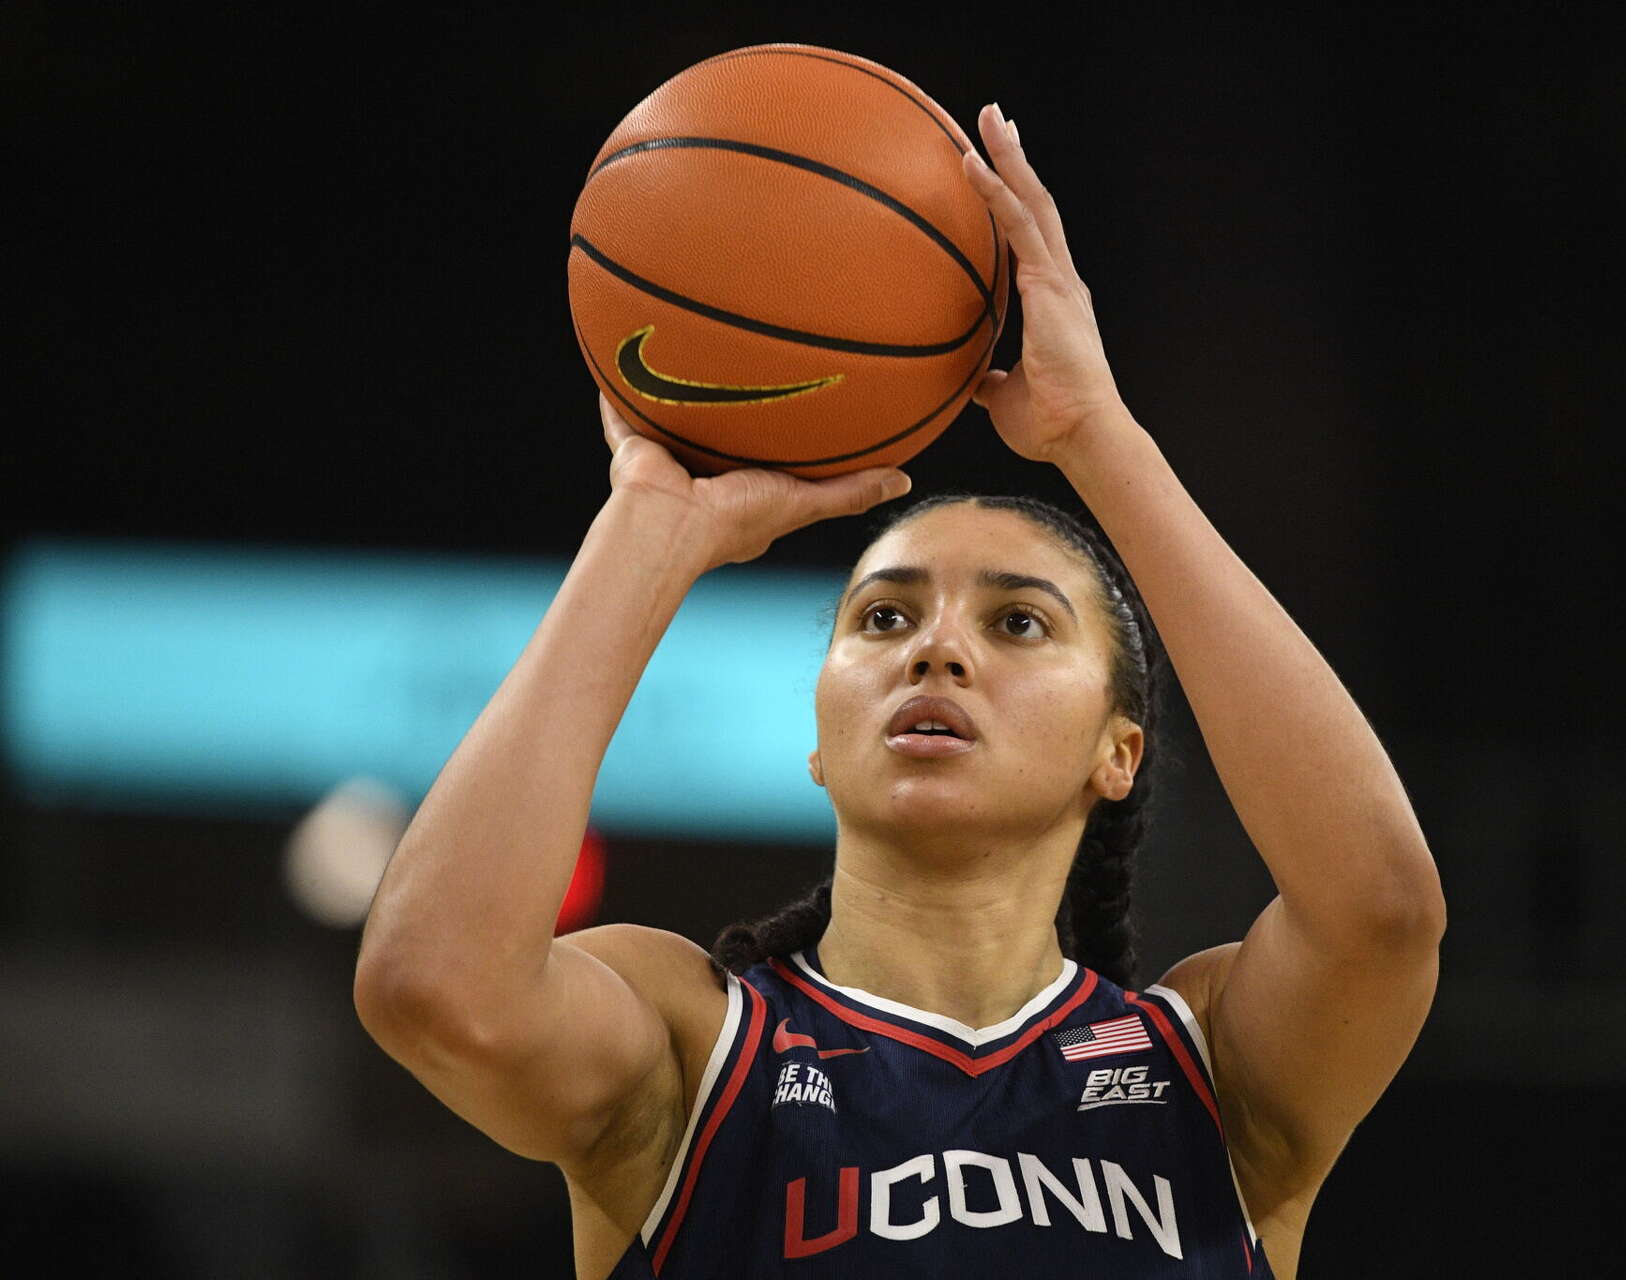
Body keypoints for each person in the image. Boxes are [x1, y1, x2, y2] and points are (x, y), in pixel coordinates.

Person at [354, 103, 1444, 1279]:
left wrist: (1102, 438)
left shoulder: (1209, 1072)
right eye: (884, 616)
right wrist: (648, 530)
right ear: (819, 739)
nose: (937, 649)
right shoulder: (695, 1045)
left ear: (1118, 750)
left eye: (1018, 621)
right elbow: (434, 983)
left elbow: (1380, 906)